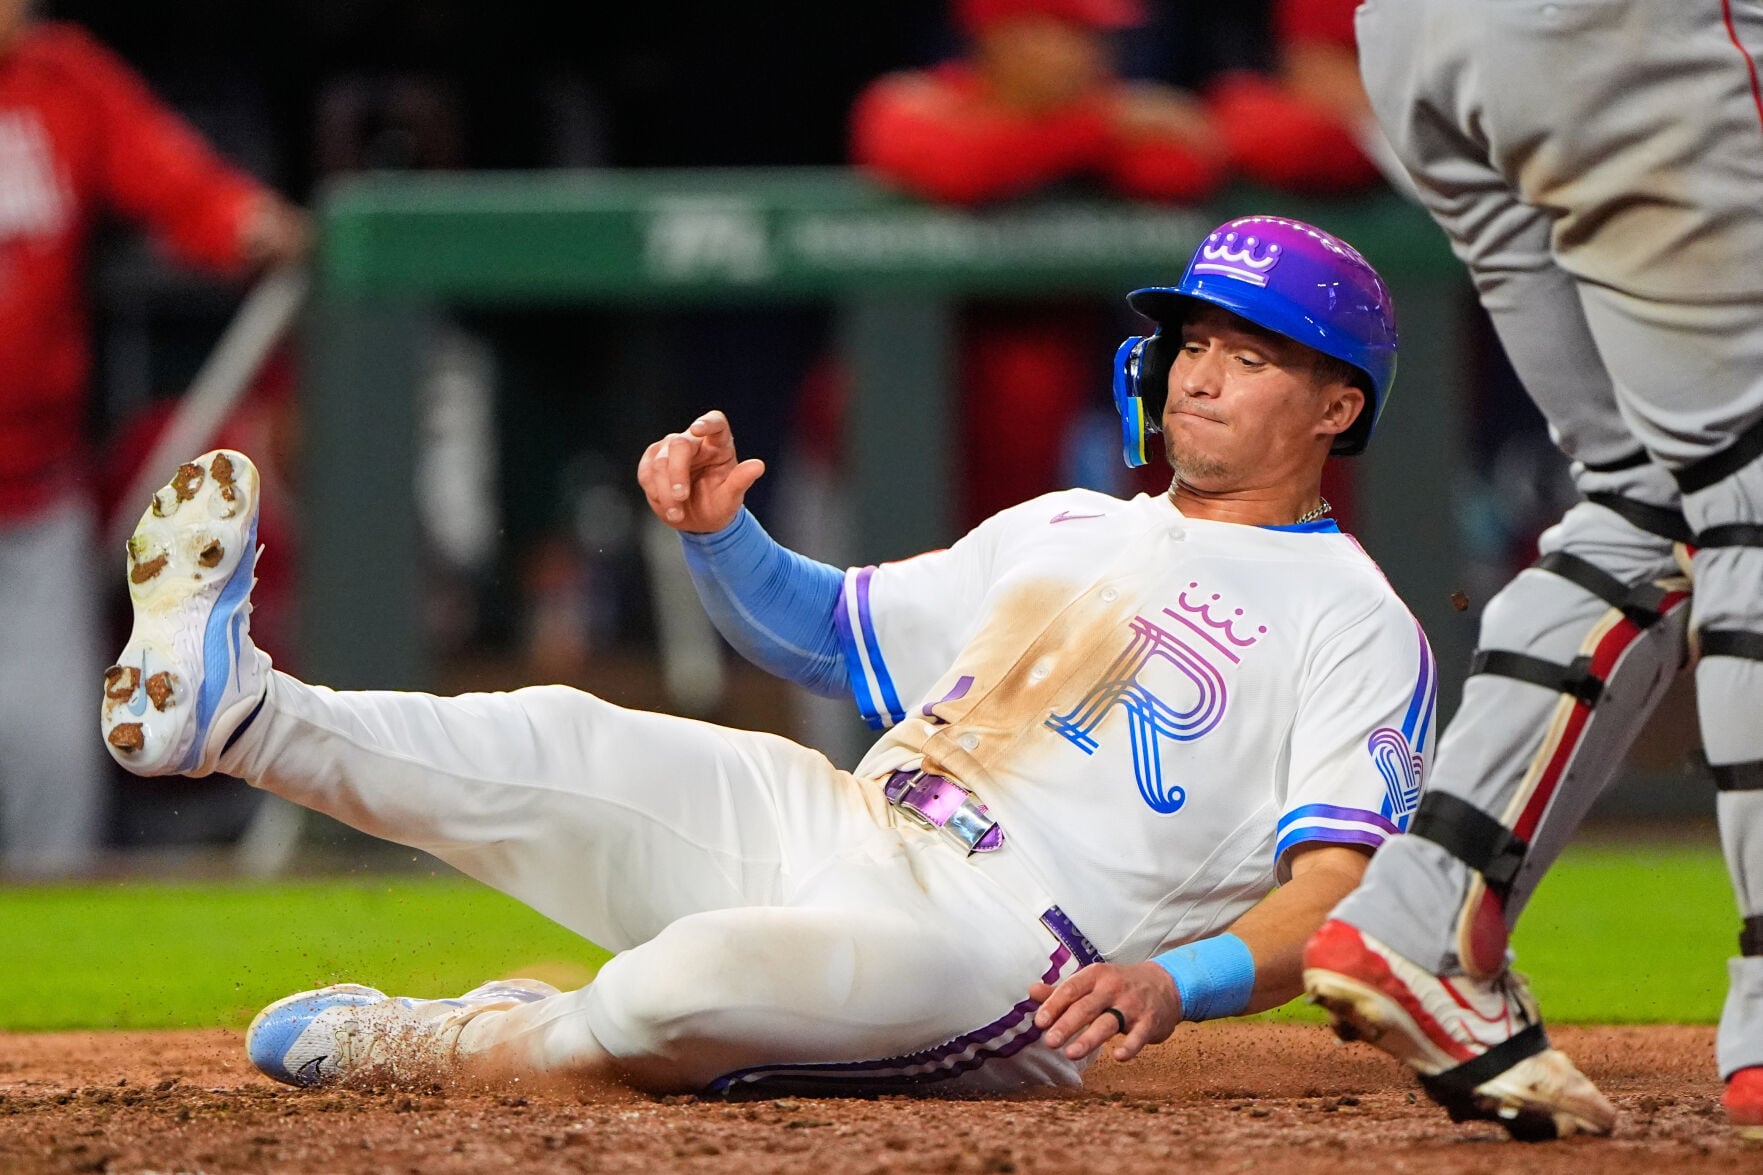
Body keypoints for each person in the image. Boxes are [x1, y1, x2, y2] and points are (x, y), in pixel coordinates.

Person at [102, 216, 1433, 1096]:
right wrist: (723, 535)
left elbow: (1337, 891)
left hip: (1002, 949)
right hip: (854, 812)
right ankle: (237, 715)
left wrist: (1177, 978)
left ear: (1335, 403)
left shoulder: (1355, 619)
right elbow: (825, 632)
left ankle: (450, 1039)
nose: (1199, 372)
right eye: (1193, 338)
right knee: (558, 733)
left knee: (685, 986)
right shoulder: (1070, 522)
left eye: (1249, 354)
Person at [1298, 0, 1763, 1143]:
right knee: (1749, 489)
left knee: (1648, 495)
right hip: (1635, 28)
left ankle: (1420, 909)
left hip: (1421, 41)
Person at [0, 0, 307, 875]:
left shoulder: (60, 77)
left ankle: (40, 1003)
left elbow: (172, 175)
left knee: (55, 758)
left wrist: (243, 221)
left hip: (31, 498)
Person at [851, 0, 1225, 529]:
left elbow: (1180, 169)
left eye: (1095, 36)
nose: (1091, 54)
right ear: (1000, 34)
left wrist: (1094, 131)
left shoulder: (1105, 112)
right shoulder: (920, 100)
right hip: (911, 410)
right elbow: (958, 167)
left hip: (1062, 396)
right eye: (1067, 33)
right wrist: (1096, 130)